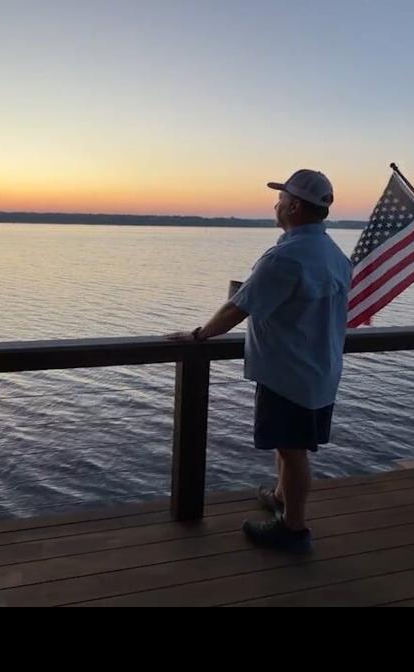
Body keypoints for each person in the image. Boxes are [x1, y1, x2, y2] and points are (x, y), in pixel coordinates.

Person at [166, 169, 352, 552]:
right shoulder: (333, 254)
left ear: (295, 206)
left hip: (289, 372)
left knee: (292, 450)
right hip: (320, 367)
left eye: (282, 198)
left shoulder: (286, 256)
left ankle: (294, 529)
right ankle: (282, 499)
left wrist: (199, 335)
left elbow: (239, 307)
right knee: (290, 444)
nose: (276, 204)